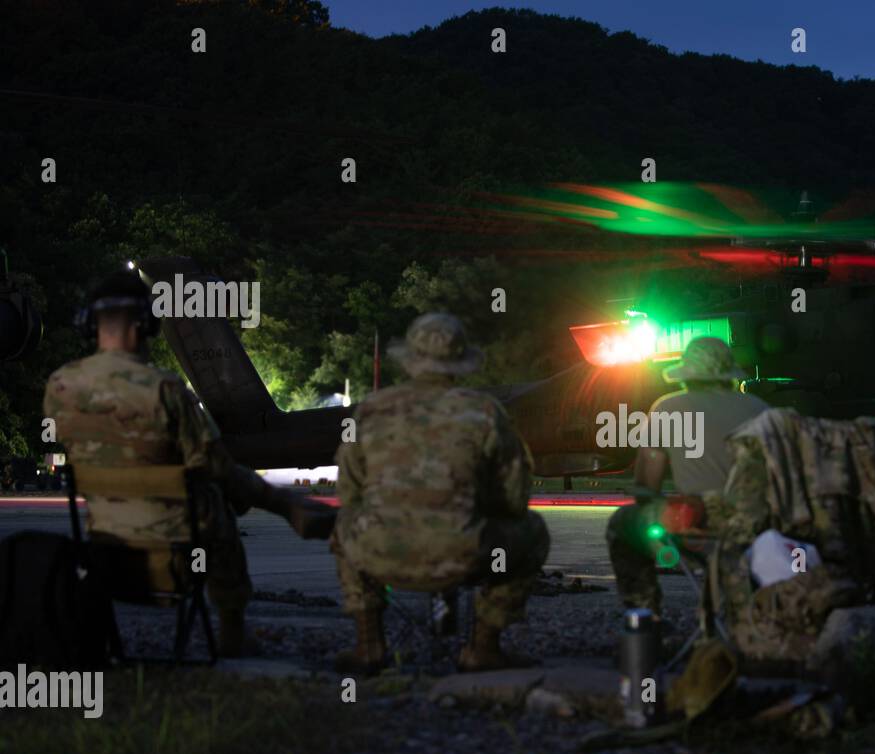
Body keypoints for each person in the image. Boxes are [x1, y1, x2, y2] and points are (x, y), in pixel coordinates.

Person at [43, 269, 333, 657]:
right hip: (172, 564)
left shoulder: (60, 387)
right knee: (214, 497)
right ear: (146, 323)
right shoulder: (165, 390)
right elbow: (216, 466)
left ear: (88, 324)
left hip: (105, 559)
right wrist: (285, 504)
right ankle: (232, 631)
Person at [331, 312, 550, 674]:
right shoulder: (485, 412)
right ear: (460, 362)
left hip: (379, 554)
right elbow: (514, 500)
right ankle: (483, 647)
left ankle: (368, 644)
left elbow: (348, 492)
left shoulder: (369, 410)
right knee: (533, 531)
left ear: (411, 359)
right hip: (462, 556)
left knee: (344, 524)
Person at [604, 336, 767, 621]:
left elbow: (646, 484)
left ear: (686, 376)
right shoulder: (760, 409)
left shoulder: (669, 407)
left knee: (623, 524)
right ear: (729, 374)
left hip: (702, 524)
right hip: (760, 527)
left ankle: (645, 618)